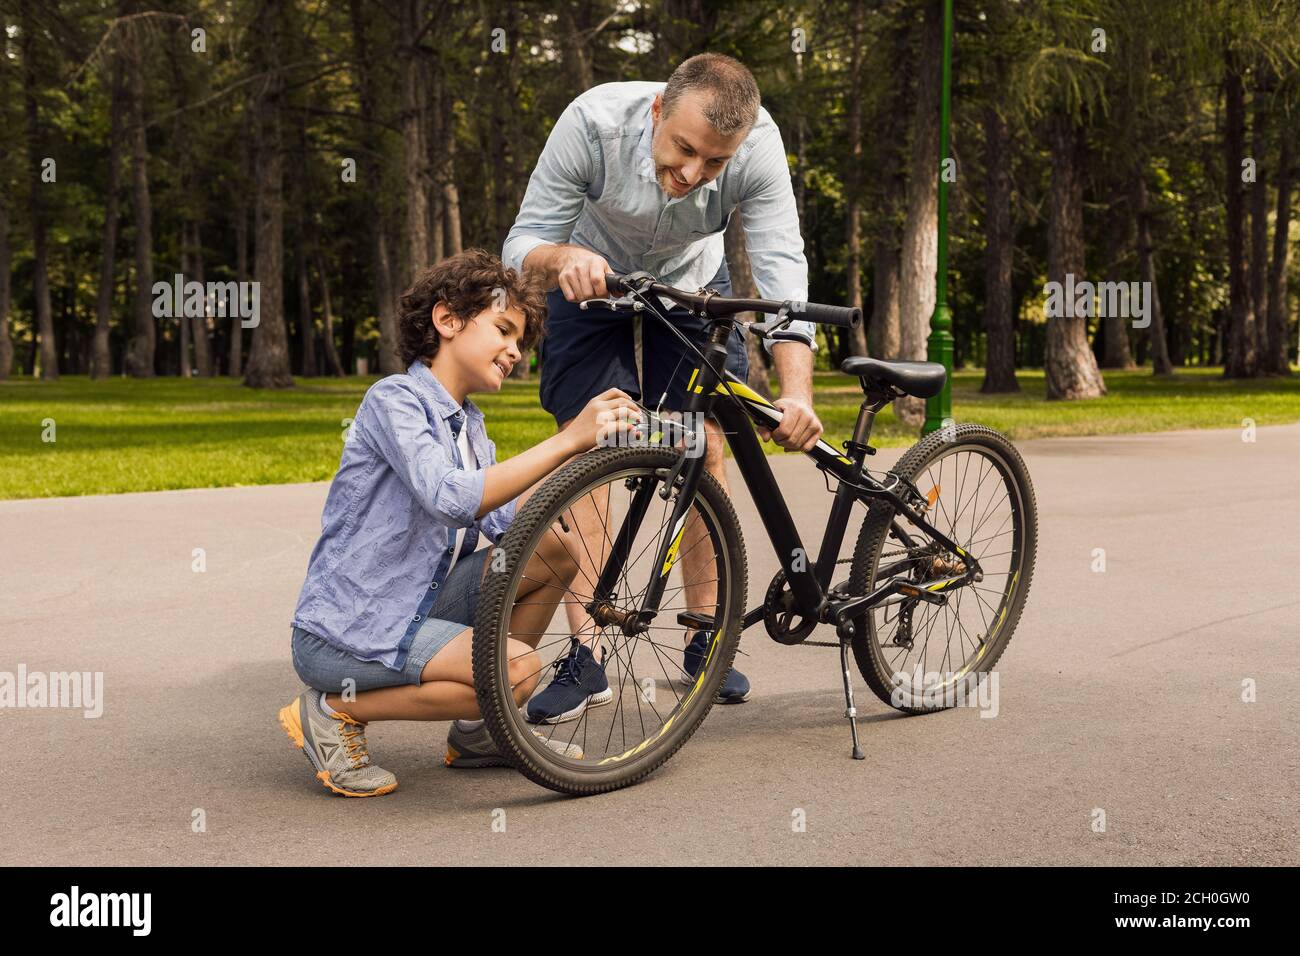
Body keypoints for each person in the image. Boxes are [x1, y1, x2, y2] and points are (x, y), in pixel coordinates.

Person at [504, 53, 824, 723]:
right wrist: (563, 257)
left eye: (713, 164)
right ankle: (586, 656)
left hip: (691, 288)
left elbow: (782, 277)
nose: (691, 175)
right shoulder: (591, 123)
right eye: (683, 150)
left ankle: (705, 635)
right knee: (593, 442)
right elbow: (522, 244)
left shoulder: (759, 147)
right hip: (587, 280)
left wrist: (798, 394)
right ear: (657, 111)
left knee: (704, 444)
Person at [277, 249, 640, 796]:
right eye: (503, 330)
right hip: (351, 629)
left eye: (521, 342)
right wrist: (566, 437)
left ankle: (480, 732)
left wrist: (584, 448)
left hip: (413, 604)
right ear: (447, 320)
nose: (515, 351)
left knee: (553, 550)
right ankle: (333, 710)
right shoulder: (394, 400)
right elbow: (449, 497)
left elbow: (504, 521)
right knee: (516, 671)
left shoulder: (470, 426)